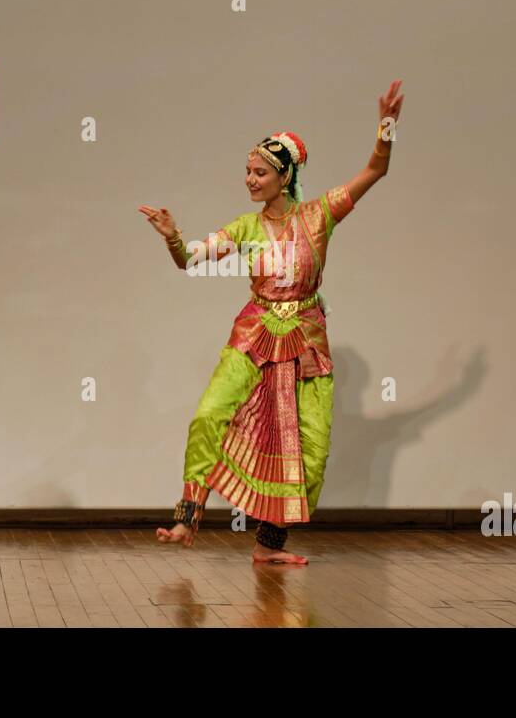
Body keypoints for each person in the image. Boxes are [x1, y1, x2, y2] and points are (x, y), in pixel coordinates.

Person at [138, 80, 404, 564]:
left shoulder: (319, 216)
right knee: (209, 415)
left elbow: (375, 169)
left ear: (285, 177)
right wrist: (174, 239)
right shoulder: (245, 227)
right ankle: (186, 517)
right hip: (254, 335)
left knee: (310, 451)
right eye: (247, 171)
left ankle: (269, 546)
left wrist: (386, 126)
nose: (250, 180)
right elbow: (192, 259)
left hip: (306, 342)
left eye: (259, 172)